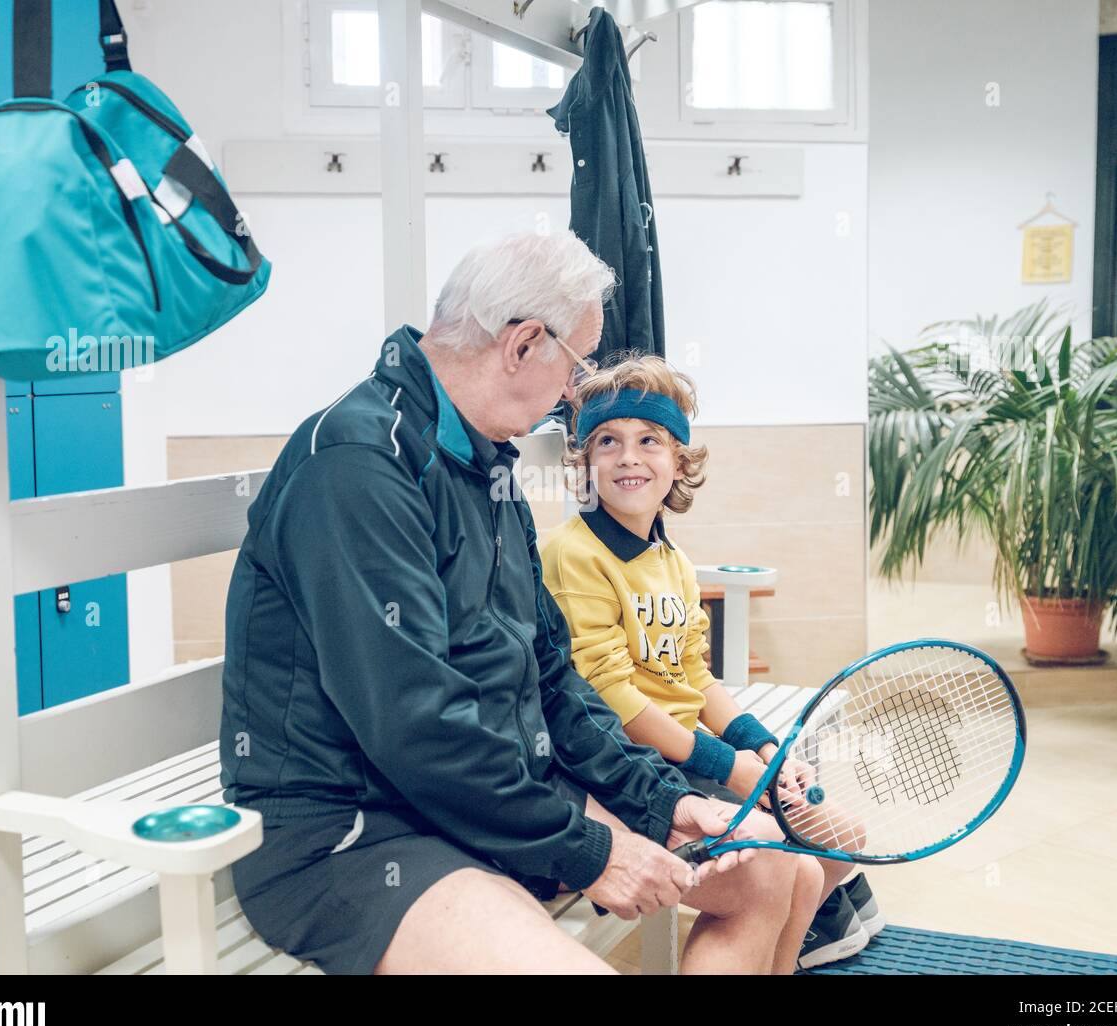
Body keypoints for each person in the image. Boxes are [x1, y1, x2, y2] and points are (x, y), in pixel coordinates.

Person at [219, 231, 819, 974]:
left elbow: (552, 675)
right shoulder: (359, 466)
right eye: (579, 364)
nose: (576, 390)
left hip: (494, 791)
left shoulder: (487, 464)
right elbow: (415, 728)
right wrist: (590, 848)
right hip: (358, 828)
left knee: (773, 870)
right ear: (525, 343)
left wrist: (662, 800)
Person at [540, 353, 883, 969]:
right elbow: (609, 697)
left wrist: (763, 748)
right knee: (786, 867)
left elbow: (695, 675)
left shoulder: (670, 560)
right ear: (586, 462)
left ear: (679, 462)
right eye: (608, 442)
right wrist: (729, 766)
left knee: (838, 842)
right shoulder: (575, 554)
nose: (628, 457)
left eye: (650, 440)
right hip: (626, 771)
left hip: (686, 751)